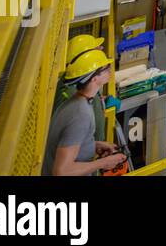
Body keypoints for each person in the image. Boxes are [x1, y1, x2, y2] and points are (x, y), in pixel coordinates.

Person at [42, 41, 124, 175]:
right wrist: (103, 163)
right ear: (94, 78)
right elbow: (61, 172)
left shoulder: (75, 102)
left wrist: (93, 145)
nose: (110, 69)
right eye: (106, 67)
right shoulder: (81, 114)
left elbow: (67, 139)